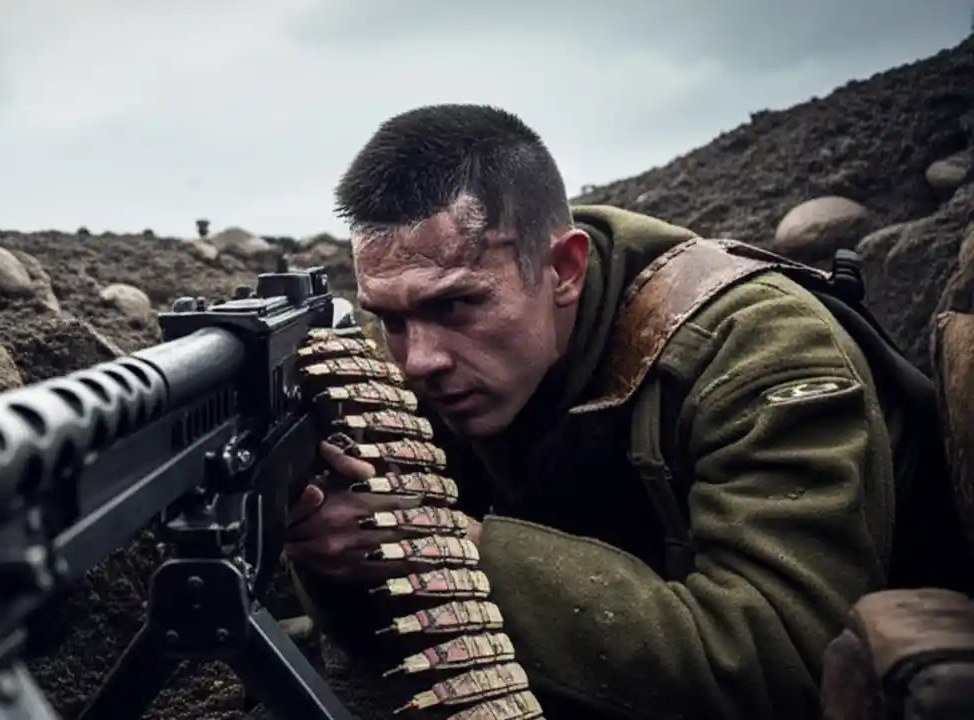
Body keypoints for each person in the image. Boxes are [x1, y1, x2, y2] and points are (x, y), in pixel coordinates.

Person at [282, 104, 903, 719]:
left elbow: (788, 663)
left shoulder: (760, 351)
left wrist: (456, 554)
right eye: (389, 318)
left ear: (563, 270)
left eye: (455, 307)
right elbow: (390, 654)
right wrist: (341, 555)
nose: (418, 361)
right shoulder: (453, 358)